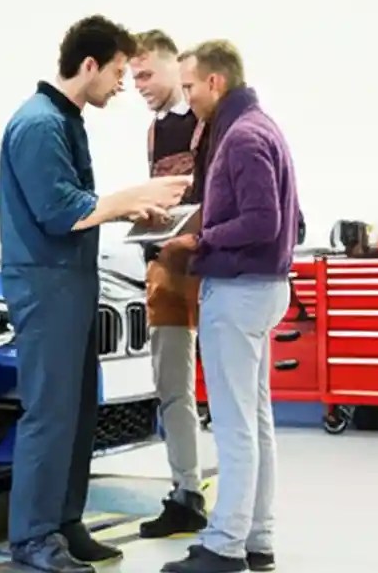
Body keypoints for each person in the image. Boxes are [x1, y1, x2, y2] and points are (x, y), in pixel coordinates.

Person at [0, 15, 192, 573]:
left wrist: (133, 208)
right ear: (89, 65)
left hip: (72, 284)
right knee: (49, 414)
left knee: (79, 410)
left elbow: (79, 206)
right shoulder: (38, 125)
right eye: (116, 73)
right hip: (46, 286)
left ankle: (63, 523)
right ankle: (32, 539)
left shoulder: (66, 119)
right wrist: (133, 196)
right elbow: (61, 211)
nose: (123, 85)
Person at [159, 40, 299, 573]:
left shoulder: (239, 138)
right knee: (256, 419)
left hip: (239, 292)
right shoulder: (265, 128)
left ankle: (224, 546)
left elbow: (262, 221)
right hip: (264, 290)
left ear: (215, 82)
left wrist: (200, 240)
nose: (187, 96)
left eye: (190, 86)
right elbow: (291, 220)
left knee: (235, 424)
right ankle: (256, 537)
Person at [129, 30, 210, 539]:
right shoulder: (154, 133)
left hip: (214, 270)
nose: (138, 85)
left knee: (227, 394)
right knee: (172, 390)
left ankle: (242, 515)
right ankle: (188, 493)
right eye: (132, 77)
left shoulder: (210, 120)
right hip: (167, 273)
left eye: (146, 75)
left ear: (172, 66)